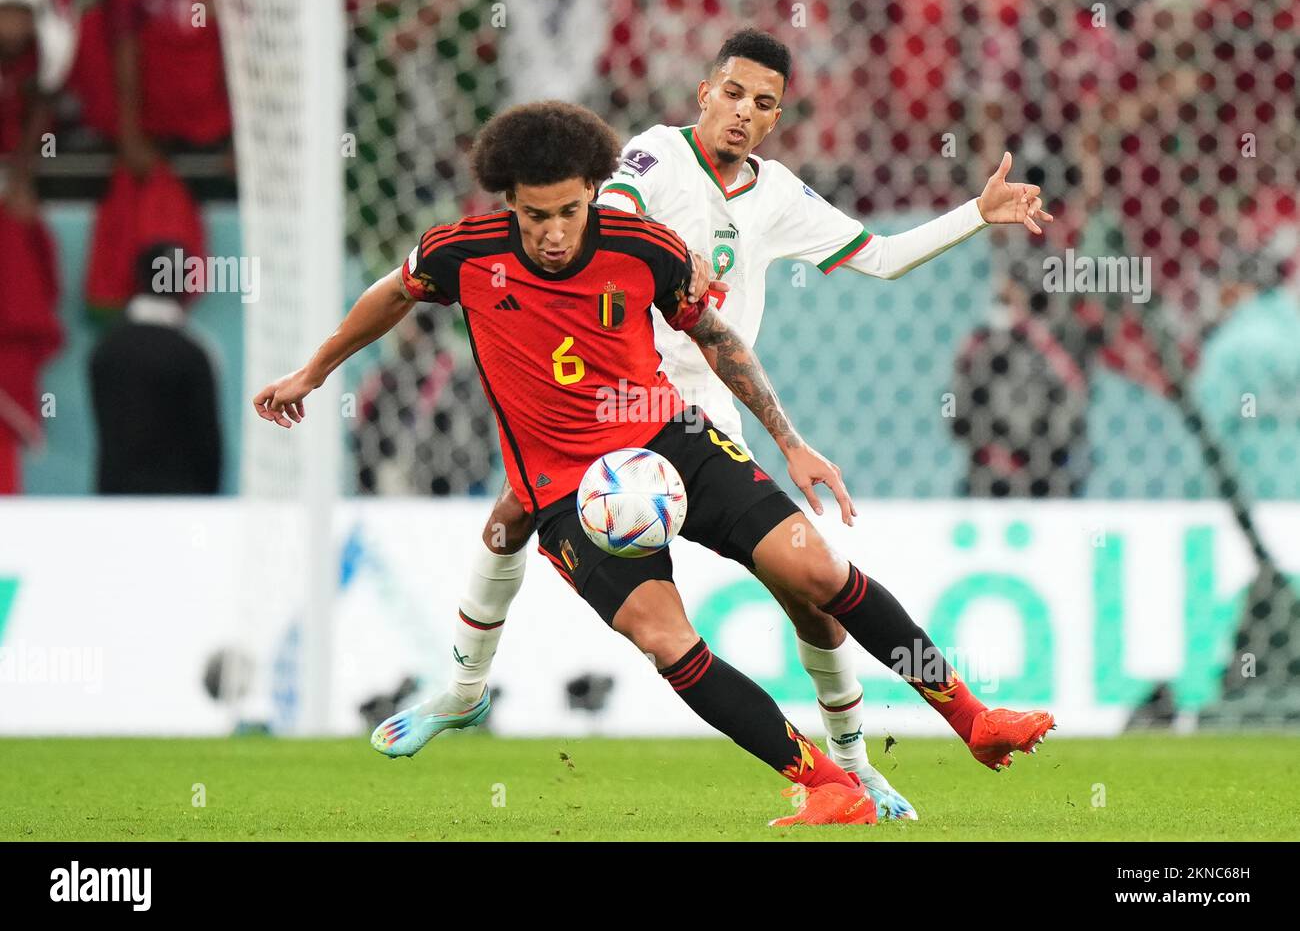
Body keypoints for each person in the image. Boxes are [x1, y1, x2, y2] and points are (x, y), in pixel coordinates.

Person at [253, 101, 1054, 826]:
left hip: (671, 441)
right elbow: (390, 295)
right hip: (569, 492)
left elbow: (715, 339)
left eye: (570, 211)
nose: (555, 232)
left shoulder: (644, 248)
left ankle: (973, 718)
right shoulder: (466, 254)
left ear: (594, 192)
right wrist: (314, 371)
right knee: (667, 638)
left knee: (815, 572)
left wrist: (786, 439)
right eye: (536, 217)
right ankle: (822, 783)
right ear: (509, 205)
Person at [90, 243, 222, 494]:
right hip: (181, 500)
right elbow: (207, 440)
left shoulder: (106, 349)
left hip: (116, 497)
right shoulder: (195, 352)